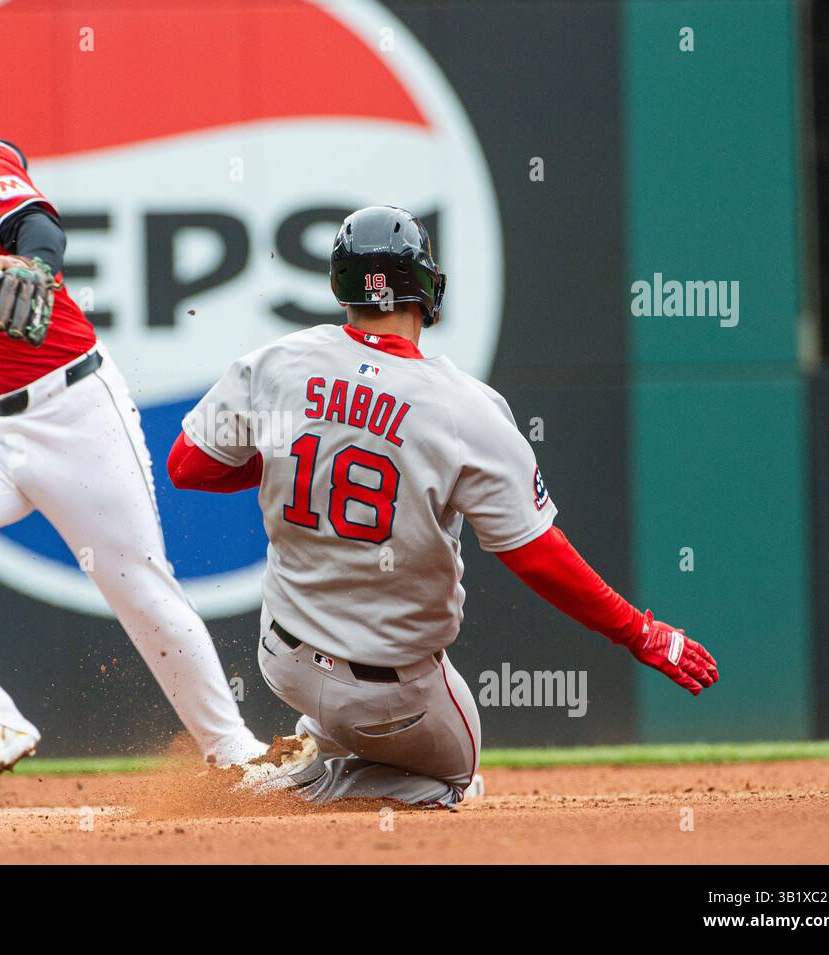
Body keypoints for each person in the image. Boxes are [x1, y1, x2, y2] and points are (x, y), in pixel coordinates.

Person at [0, 24, 304, 792]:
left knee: (137, 584)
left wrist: (29, 263)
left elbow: (35, 222)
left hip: (72, 413)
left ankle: (235, 752)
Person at [169, 205, 720, 806]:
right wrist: (640, 632)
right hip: (392, 696)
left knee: (344, 702)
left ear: (339, 286)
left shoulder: (276, 363)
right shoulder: (466, 408)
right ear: (426, 287)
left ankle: (311, 753)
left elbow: (188, 466)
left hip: (282, 659)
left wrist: (288, 457)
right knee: (455, 779)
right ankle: (315, 786)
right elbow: (537, 555)